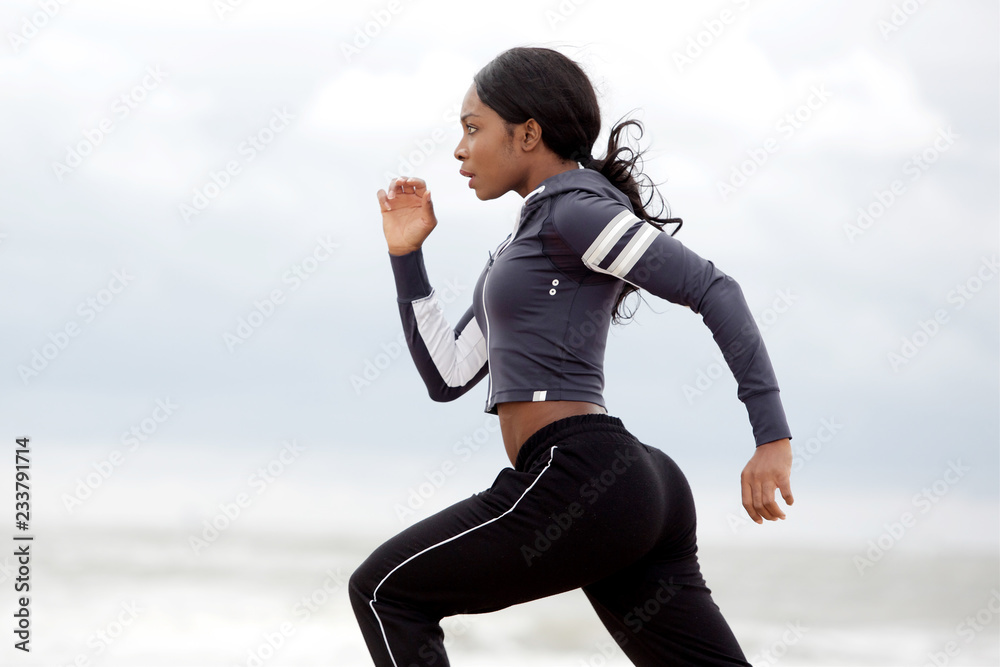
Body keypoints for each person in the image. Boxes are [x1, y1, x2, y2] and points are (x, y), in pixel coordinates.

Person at [349, 45, 794, 666]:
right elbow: (447, 375)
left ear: (528, 134)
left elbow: (714, 288)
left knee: (384, 592)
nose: (459, 150)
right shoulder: (524, 241)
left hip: (581, 474)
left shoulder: (577, 212)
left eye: (473, 128)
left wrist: (772, 438)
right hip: (621, 486)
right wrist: (406, 256)